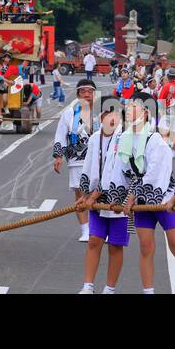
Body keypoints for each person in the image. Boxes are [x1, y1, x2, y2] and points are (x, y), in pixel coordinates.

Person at [124, 93, 175, 294]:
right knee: (145, 247)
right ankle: (148, 291)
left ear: (146, 113)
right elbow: (129, 172)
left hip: (165, 199)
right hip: (141, 202)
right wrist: (130, 195)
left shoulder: (156, 139)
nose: (128, 111)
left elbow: (157, 173)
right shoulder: (127, 138)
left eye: (133, 107)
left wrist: (133, 195)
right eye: (128, 106)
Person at [78, 98, 126, 294]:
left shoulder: (125, 138)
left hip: (119, 199)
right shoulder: (94, 137)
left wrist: (92, 197)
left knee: (115, 245)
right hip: (96, 201)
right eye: (107, 114)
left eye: (115, 115)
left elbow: (114, 171)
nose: (111, 119)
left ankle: (109, 288)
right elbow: (88, 168)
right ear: (101, 116)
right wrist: (85, 195)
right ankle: (88, 285)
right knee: (94, 241)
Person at [53, 77, 98, 242]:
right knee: (80, 193)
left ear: (95, 94)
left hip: (100, 160)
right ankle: (85, 229)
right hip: (77, 158)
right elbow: (60, 135)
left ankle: (97, 227)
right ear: (78, 95)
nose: (87, 94)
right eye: (83, 91)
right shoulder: (69, 113)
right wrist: (58, 156)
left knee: (98, 193)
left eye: (90, 91)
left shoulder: (103, 112)